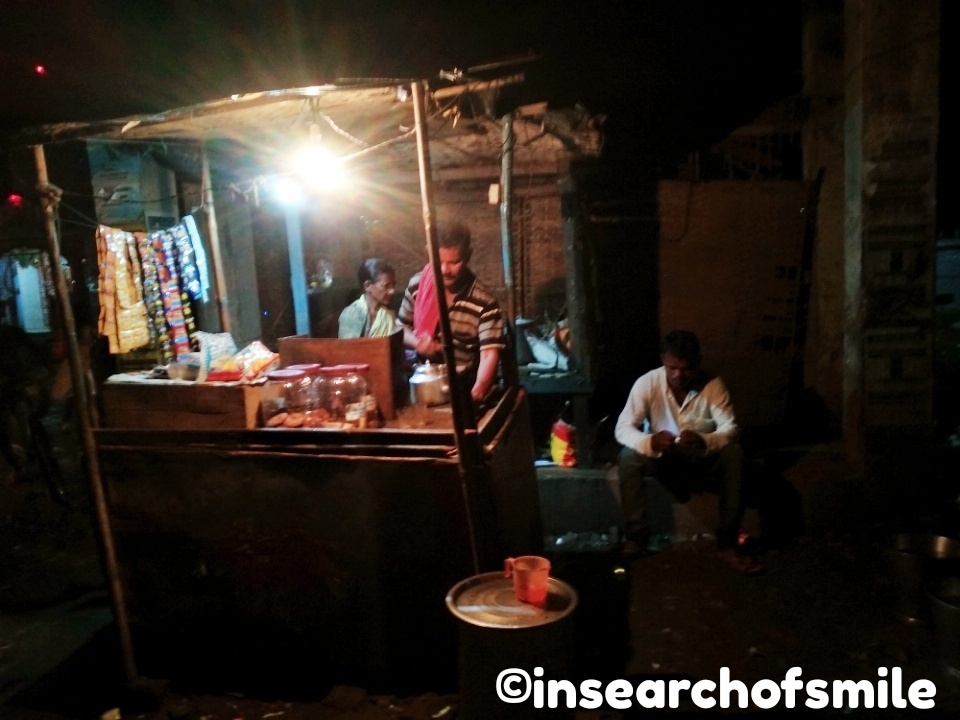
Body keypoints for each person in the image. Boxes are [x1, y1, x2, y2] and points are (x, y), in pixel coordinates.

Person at [614, 329, 761, 574]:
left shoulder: (713, 384)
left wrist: (704, 441)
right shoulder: (647, 383)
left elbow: (731, 428)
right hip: (664, 458)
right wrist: (650, 442)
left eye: (686, 369)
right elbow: (622, 428)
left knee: (734, 453)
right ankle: (637, 538)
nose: (678, 375)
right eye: (672, 367)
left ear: (698, 363)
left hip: (701, 461)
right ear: (662, 359)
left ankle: (727, 542)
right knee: (628, 457)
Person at [397, 223, 504, 403]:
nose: (445, 270)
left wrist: (475, 395)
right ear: (428, 253)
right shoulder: (418, 285)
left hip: (463, 389)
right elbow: (399, 328)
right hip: (425, 388)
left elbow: (489, 354)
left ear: (468, 256)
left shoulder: (484, 302)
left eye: (454, 262)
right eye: (438, 262)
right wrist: (418, 344)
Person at [338, 258, 397, 339]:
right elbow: (348, 349)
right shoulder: (352, 314)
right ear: (368, 286)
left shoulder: (388, 315)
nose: (392, 291)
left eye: (393, 285)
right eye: (386, 286)